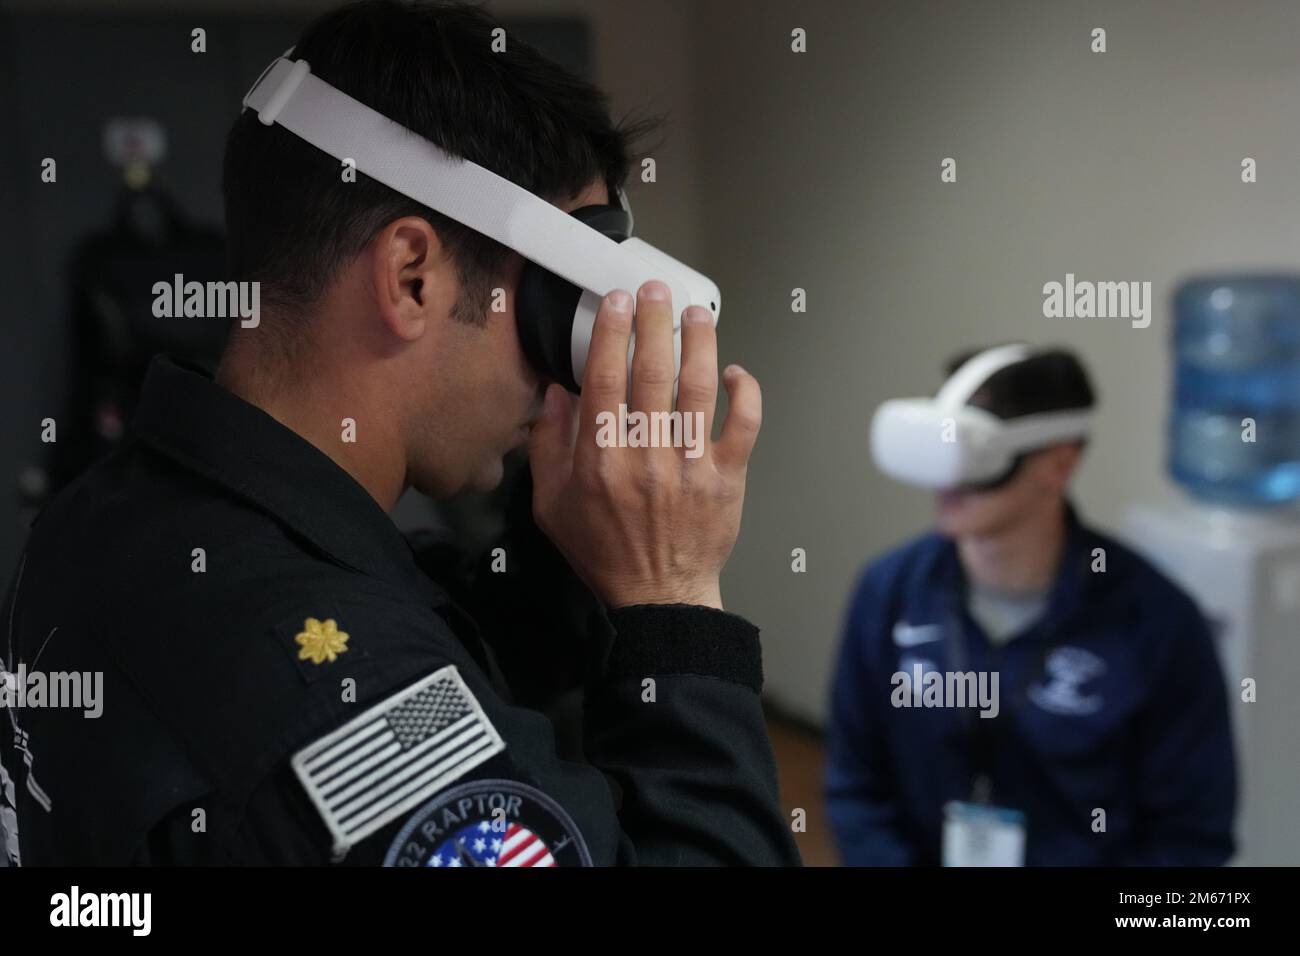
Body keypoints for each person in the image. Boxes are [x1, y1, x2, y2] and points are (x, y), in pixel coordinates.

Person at [0, 0, 798, 867]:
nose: (556, 375)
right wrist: (673, 601)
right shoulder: (343, 699)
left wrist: (571, 554)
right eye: (552, 312)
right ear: (412, 276)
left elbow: (444, 638)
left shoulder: (119, 512)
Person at [826, 343, 1236, 866]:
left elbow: (1190, 839)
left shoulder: (1157, 623)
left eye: (975, 456)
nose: (947, 480)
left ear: (1057, 465)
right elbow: (855, 785)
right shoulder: (889, 591)